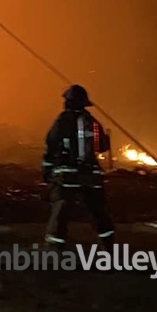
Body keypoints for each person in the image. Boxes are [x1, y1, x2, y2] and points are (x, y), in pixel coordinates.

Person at [43, 84, 114, 245]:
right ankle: (108, 248)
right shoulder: (92, 121)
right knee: (99, 212)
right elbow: (102, 146)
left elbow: (51, 144)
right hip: (91, 176)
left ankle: (55, 249)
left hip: (67, 176)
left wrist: (47, 170)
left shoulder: (62, 121)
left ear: (68, 102)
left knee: (60, 211)